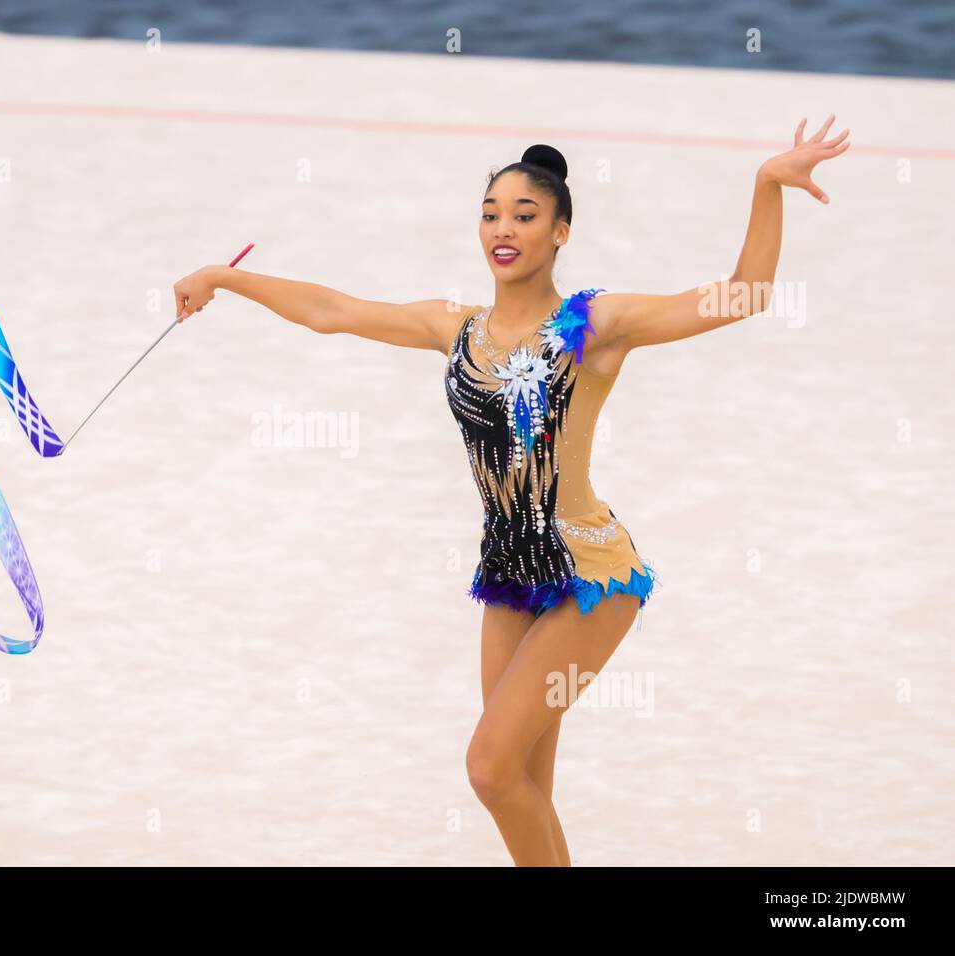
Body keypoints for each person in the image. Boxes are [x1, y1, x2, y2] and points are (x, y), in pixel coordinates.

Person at [171, 115, 849, 865]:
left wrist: (765, 187)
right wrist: (225, 279)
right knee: (522, 780)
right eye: (491, 214)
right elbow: (332, 313)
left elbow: (744, 295)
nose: (504, 228)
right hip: (508, 576)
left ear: (561, 231)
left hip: (589, 574)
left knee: (490, 770)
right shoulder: (455, 328)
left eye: (526, 216)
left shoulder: (592, 324)